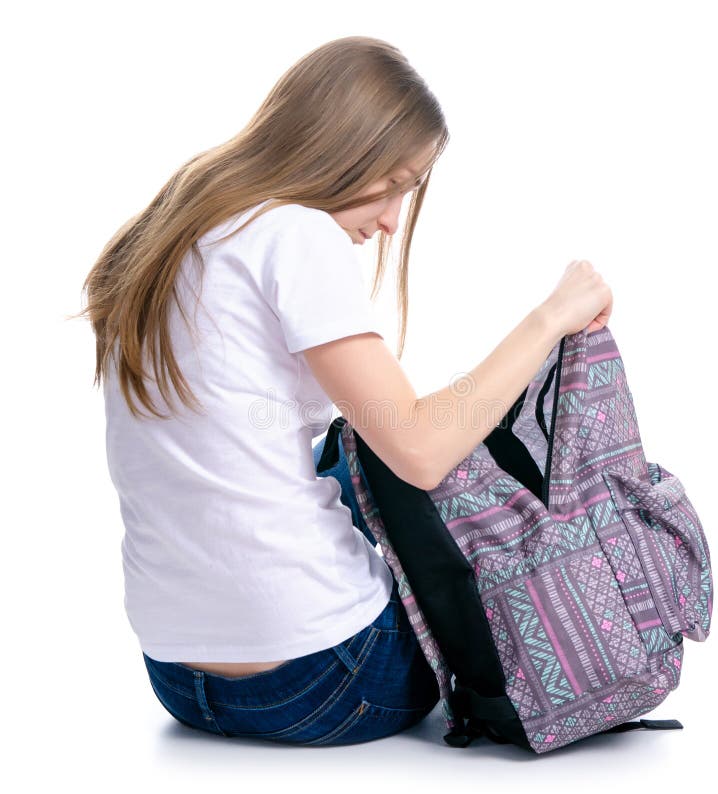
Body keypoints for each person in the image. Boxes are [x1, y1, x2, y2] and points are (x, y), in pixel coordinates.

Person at [77, 36, 612, 747]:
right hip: (327, 677)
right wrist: (552, 317)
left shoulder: (173, 227)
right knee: (413, 462)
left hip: (178, 675)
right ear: (338, 150)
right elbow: (420, 451)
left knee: (343, 449)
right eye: (393, 182)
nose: (391, 220)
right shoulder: (295, 232)